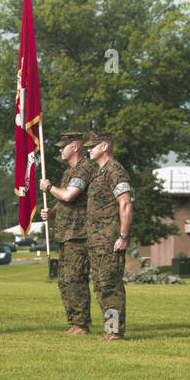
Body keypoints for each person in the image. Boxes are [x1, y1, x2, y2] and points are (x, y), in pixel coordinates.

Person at [39, 131, 96, 335]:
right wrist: (52, 212)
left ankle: (81, 324)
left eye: (63, 146)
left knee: (75, 278)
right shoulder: (68, 173)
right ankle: (74, 322)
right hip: (66, 233)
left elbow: (70, 195)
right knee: (64, 280)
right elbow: (63, 200)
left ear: (75, 146)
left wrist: (49, 187)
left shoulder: (84, 169)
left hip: (78, 234)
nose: (60, 150)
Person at [82, 130, 133, 340]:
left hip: (110, 240)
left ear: (104, 146)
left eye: (92, 146)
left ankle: (114, 331)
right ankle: (109, 328)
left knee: (110, 286)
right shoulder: (98, 173)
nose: (88, 149)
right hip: (97, 241)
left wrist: (123, 236)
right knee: (101, 286)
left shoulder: (115, 171)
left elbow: (126, 204)